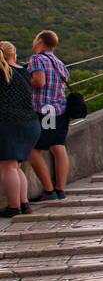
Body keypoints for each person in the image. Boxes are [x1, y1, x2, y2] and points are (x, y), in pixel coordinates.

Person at [26, 30, 70, 202]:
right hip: (60, 109)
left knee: (32, 150)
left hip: (45, 110)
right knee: (58, 146)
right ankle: (60, 189)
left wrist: (24, 82)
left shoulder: (37, 59)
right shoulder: (59, 62)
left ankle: (49, 190)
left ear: (40, 41)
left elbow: (39, 81)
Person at [0, 41, 40, 218]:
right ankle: (24, 204)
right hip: (31, 123)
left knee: (7, 166)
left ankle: (13, 207)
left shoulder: (3, 72)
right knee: (16, 166)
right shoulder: (20, 72)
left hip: (10, 122)